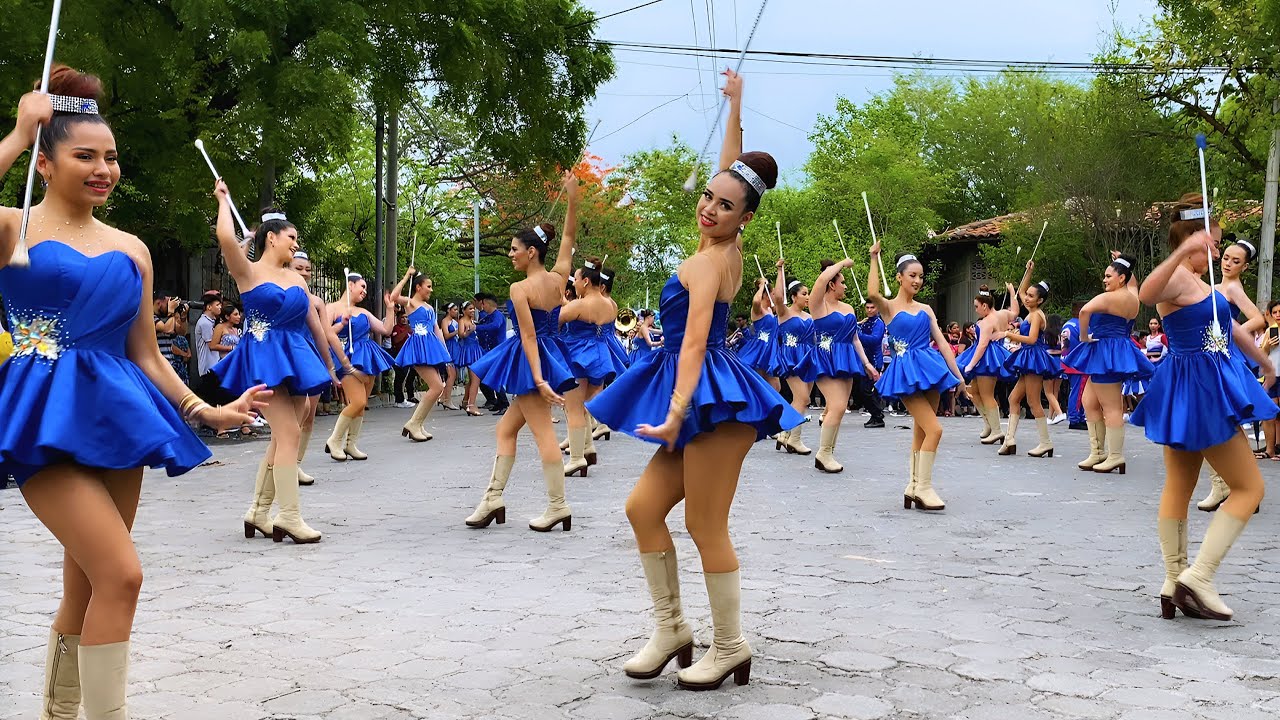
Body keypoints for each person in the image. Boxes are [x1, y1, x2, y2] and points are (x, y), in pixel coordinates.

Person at [0, 68, 265, 717]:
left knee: (87, 588)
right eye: (84, 155)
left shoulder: (133, 248)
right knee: (123, 574)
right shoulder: (13, 228)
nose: (102, 168)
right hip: (41, 416)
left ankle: (57, 713)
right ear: (45, 162)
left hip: (117, 416)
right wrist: (16, 129)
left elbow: (144, 352)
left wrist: (206, 409)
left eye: (110, 156)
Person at [588, 70, 803, 690]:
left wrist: (679, 410)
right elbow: (732, 168)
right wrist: (736, 105)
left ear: (747, 219)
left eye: (724, 205)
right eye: (708, 197)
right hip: (704, 392)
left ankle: (731, 645)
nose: (709, 207)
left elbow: (693, 345)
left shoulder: (709, 264)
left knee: (705, 526)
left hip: (712, 397)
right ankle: (672, 627)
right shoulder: (718, 241)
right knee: (641, 509)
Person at [1130, 196, 1276, 621]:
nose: (1218, 248)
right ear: (1194, 239)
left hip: (1192, 384)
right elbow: (1145, 294)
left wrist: (1265, 364)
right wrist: (1181, 249)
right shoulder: (1177, 276)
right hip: (1198, 388)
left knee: (1179, 484)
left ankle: (1174, 579)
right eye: (1213, 240)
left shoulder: (1203, 284)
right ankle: (1199, 576)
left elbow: (1230, 329)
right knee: (1250, 488)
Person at [211, 191, 339, 546]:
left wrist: (328, 365)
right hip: (264, 358)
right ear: (272, 237)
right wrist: (223, 200)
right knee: (290, 435)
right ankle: (289, 516)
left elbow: (310, 325)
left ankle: (258, 510)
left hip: (294, 358)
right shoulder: (248, 271)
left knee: (285, 434)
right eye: (291, 237)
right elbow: (225, 238)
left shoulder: (297, 280)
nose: (296, 244)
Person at [466, 170, 580, 532]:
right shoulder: (560, 278)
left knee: (543, 434)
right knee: (505, 429)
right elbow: (568, 236)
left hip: (533, 360)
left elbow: (528, 338)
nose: (511, 254)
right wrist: (573, 196)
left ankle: (558, 506)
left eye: (515, 249)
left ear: (531, 252)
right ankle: (493, 498)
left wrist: (538, 380)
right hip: (550, 354)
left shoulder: (521, 289)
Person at [868, 247, 964, 511]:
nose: (917, 281)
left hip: (930, 369)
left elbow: (943, 344)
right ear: (899, 277)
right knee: (936, 429)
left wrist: (959, 376)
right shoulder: (888, 308)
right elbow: (873, 293)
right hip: (905, 373)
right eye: (912, 275)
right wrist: (874, 259)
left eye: (921, 276)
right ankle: (924, 487)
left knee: (922, 431)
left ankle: (912, 485)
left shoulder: (926, 309)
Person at [1064, 252, 1154, 474]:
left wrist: (1084, 336)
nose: (1104, 280)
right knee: (1089, 401)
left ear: (1121, 278)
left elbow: (1084, 311)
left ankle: (1115, 455)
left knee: (1111, 406)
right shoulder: (1133, 296)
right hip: (1117, 348)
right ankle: (1098, 452)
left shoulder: (1109, 298)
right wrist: (1123, 260)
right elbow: (1134, 283)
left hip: (1106, 350)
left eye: (1108, 276)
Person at [1197, 235, 1268, 509]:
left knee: (1217, 421)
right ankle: (1238, 486)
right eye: (1226, 257)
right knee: (1223, 423)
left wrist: (1227, 335)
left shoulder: (1234, 289)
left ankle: (1228, 486)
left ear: (1245, 267)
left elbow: (1258, 319)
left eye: (1236, 261)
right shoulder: (1217, 284)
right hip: (1211, 355)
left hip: (1221, 355)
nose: (1228, 263)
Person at [559, 256, 626, 476]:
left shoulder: (580, 304)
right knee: (585, 405)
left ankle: (577, 457)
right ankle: (587, 448)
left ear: (586, 281)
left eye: (576, 279)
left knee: (574, 407)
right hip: (600, 354)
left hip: (579, 354)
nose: (574, 283)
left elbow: (555, 322)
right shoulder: (612, 304)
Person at [808, 259, 876, 473]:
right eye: (842, 282)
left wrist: (867, 364)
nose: (846, 286)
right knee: (836, 406)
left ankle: (828, 452)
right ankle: (823, 453)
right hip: (826, 358)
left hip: (846, 359)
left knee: (839, 409)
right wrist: (842, 263)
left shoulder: (847, 308)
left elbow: (854, 338)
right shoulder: (818, 305)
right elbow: (820, 280)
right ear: (831, 283)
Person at [289, 250, 350, 488]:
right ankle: (280, 463)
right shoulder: (281, 293)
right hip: (286, 356)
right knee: (289, 415)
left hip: (310, 357)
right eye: (298, 268)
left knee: (308, 416)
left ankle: (295, 463)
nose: (305, 272)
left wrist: (339, 364)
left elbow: (325, 333)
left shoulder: (316, 302)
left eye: (308, 269)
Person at [322, 273, 394, 459]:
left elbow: (386, 330)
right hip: (345, 357)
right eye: (362, 286)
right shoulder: (332, 308)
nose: (364, 291)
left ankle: (351, 444)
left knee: (361, 405)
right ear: (350, 285)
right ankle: (335, 440)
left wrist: (390, 309)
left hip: (367, 358)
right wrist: (342, 324)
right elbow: (324, 334)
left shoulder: (363, 312)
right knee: (358, 402)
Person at [1000, 261, 1062, 458]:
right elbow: (1021, 292)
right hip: (1028, 356)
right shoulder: (1032, 311)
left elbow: (1032, 339)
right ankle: (1009, 439)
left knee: (1034, 401)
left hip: (1033, 355)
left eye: (1031, 296)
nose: (1026, 298)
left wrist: (1009, 335)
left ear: (1040, 300)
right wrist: (1029, 271)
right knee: (1013, 398)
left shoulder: (1036, 316)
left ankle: (1046, 442)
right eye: (1027, 295)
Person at [390, 268, 453, 442]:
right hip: (418, 346)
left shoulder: (429, 307)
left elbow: (437, 329)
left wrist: (445, 353)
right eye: (428, 286)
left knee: (437, 386)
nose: (431, 290)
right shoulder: (410, 303)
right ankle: (414, 423)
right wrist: (406, 276)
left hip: (431, 346)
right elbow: (394, 297)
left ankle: (418, 423)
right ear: (418, 287)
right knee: (437, 386)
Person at [957, 285, 1018, 446]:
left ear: (984, 305)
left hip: (987, 358)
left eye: (977, 306)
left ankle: (997, 430)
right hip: (992, 355)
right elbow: (1015, 312)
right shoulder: (1002, 314)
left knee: (986, 395)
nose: (976, 310)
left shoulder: (987, 322)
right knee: (973, 391)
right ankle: (989, 425)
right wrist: (1012, 292)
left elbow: (982, 345)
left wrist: (970, 365)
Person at [771, 261, 816, 454]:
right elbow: (778, 297)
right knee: (803, 398)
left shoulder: (810, 316)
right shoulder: (785, 313)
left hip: (809, 357)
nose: (808, 296)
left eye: (808, 293)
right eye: (804, 293)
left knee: (800, 400)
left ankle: (786, 435)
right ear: (793, 296)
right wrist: (780, 270)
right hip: (791, 357)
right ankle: (794, 439)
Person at [734, 277, 781, 389]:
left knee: (775, 386)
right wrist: (761, 287)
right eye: (773, 294)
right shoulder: (758, 310)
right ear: (766, 295)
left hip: (771, 347)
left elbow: (781, 297)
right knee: (759, 383)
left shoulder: (771, 310)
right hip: (761, 347)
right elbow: (755, 301)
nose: (775, 296)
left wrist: (780, 269)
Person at [474, 292, 509, 414]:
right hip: (490, 351)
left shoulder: (497, 316)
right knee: (489, 376)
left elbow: (494, 326)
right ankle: (499, 402)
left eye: (483, 304)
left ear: (487, 304)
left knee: (497, 376)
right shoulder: (488, 317)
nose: (482, 307)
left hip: (498, 351)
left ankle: (504, 403)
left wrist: (476, 328)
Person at [855, 300, 888, 428]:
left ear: (877, 308)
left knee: (866, 390)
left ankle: (878, 416)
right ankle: (875, 415)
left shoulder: (878, 323)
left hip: (874, 361)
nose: (869, 310)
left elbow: (874, 340)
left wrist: (857, 334)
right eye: (867, 307)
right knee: (865, 390)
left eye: (872, 307)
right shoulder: (866, 322)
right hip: (865, 361)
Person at [1060, 302, 1089, 430]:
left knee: (1075, 390)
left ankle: (1078, 416)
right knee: (1078, 392)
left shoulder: (1068, 324)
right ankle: (1075, 418)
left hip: (1067, 360)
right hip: (1078, 363)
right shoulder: (1081, 325)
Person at [455, 301, 485, 415]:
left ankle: (465, 401)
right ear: (464, 310)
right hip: (469, 350)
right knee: (476, 378)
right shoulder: (462, 321)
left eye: (473, 309)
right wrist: (469, 331)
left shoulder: (473, 321)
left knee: (473, 379)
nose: (472, 311)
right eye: (470, 309)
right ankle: (471, 405)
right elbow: (461, 334)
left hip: (476, 349)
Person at [390, 304, 415, 408]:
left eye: (406, 317)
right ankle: (399, 399)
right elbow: (396, 340)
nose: (404, 319)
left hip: (408, 355)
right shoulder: (397, 328)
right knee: (400, 376)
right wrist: (406, 330)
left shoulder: (410, 328)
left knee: (408, 375)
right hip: (398, 354)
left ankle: (407, 396)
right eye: (402, 318)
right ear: (398, 319)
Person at [1043, 313, 1066, 424]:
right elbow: (1064, 349)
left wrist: (1049, 352)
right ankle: (1050, 417)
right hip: (1060, 362)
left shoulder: (1045, 334)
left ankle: (1059, 413)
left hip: (1049, 362)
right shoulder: (1062, 334)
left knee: (1048, 391)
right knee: (1055, 390)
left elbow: (1043, 349)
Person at [439, 302, 462, 410]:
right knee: (451, 374)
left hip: (455, 347)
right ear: (449, 310)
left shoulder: (454, 321)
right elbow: (446, 335)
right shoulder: (445, 321)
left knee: (453, 374)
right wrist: (457, 331)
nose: (456, 312)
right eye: (455, 310)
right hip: (449, 348)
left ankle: (443, 397)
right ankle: (447, 399)